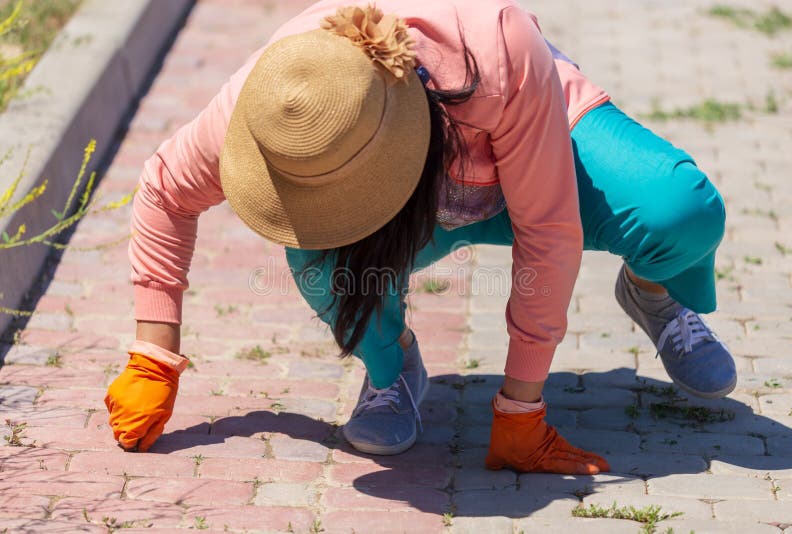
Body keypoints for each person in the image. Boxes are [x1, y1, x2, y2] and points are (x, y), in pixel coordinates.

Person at [104, 0, 733, 475]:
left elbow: (549, 232)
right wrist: (153, 355)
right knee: (317, 259)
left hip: (527, 139)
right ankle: (392, 365)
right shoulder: (272, 98)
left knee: (680, 211)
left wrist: (522, 407)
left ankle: (652, 291)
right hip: (421, 201)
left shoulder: (495, 47)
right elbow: (162, 188)